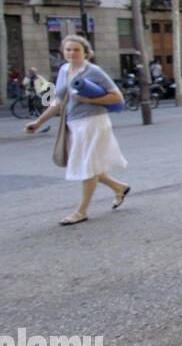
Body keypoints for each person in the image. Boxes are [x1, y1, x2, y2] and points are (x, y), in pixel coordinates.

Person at [24, 35, 130, 225]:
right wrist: (38, 122)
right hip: (75, 125)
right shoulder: (64, 70)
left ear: (86, 53)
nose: (72, 53)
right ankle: (119, 188)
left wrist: (90, 100)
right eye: (68, 50)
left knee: (88, 167)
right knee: (89, 165)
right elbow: (57, 101)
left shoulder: (93, 71)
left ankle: (81, 211)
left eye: (76, 50)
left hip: (94, 123)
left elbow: (117, 97)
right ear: (63, 52)